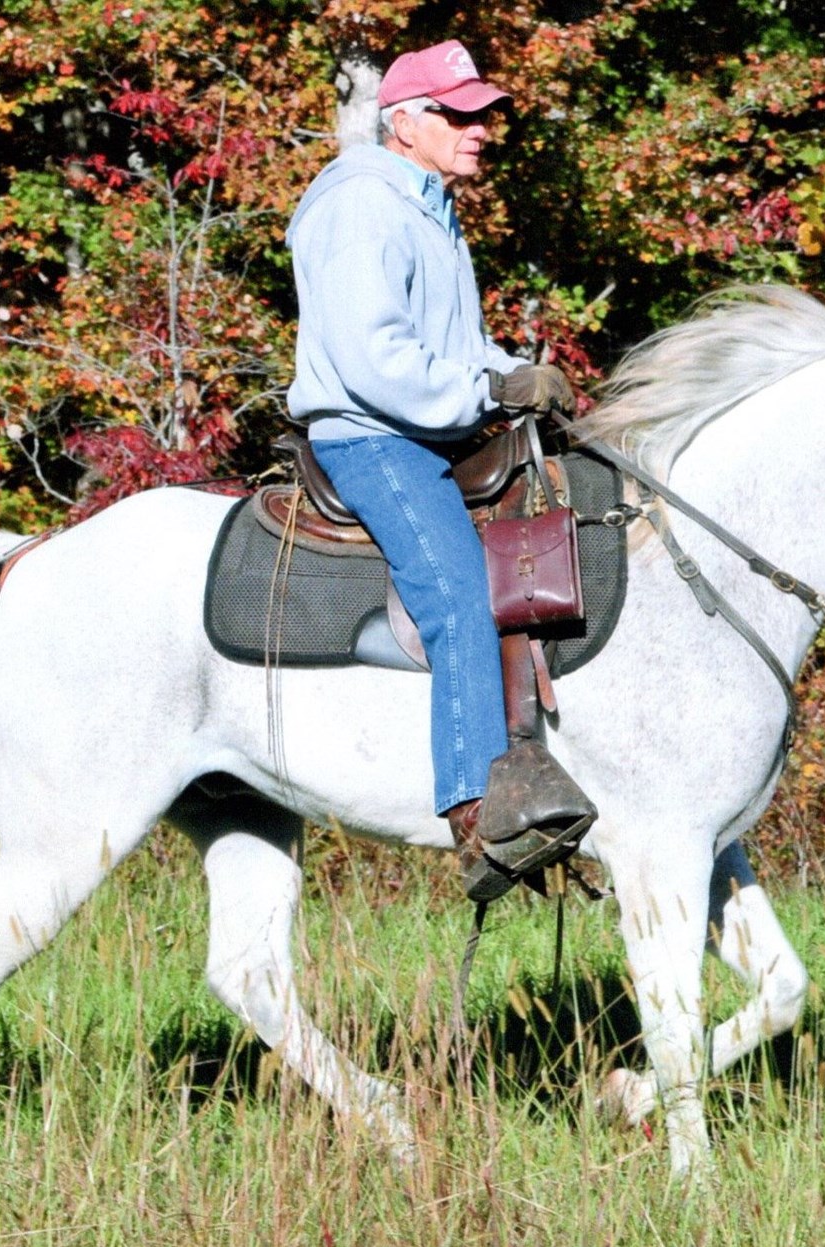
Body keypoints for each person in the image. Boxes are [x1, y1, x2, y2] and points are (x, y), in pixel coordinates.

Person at [286, 39, 577, 897]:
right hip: (372, 435)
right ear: (403, 122)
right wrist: (487, 386)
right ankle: (478, 810)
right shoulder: (362, 207)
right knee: (456, 591)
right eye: (458, 113)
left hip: (429, 427)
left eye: (484, 112)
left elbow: (449, 348)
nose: (479, 128)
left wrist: (513, 372)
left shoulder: (425, 202)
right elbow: (376, 359)